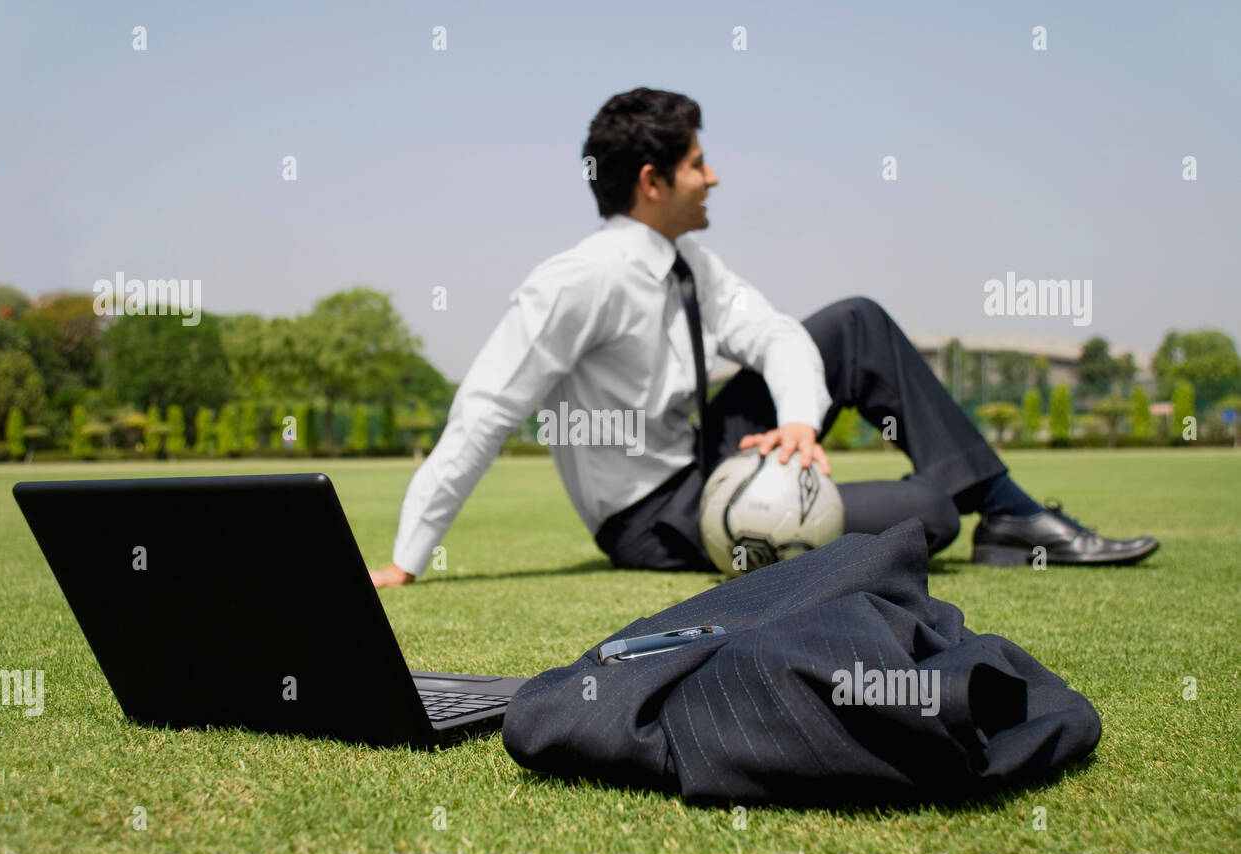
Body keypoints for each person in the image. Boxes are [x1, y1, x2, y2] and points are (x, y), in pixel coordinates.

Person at [368, 88, 1157, 587]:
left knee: (854, 321)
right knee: (931, 516)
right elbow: (485, 410)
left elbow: (776, 334)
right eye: (699, 164)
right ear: (651, 182)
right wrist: (409, 557)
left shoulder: (692, 264)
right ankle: (980, 515)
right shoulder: (574, 282)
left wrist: (799, 426)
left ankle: (1011, 513)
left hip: (707, 453)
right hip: (651, 514)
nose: (714, 178)